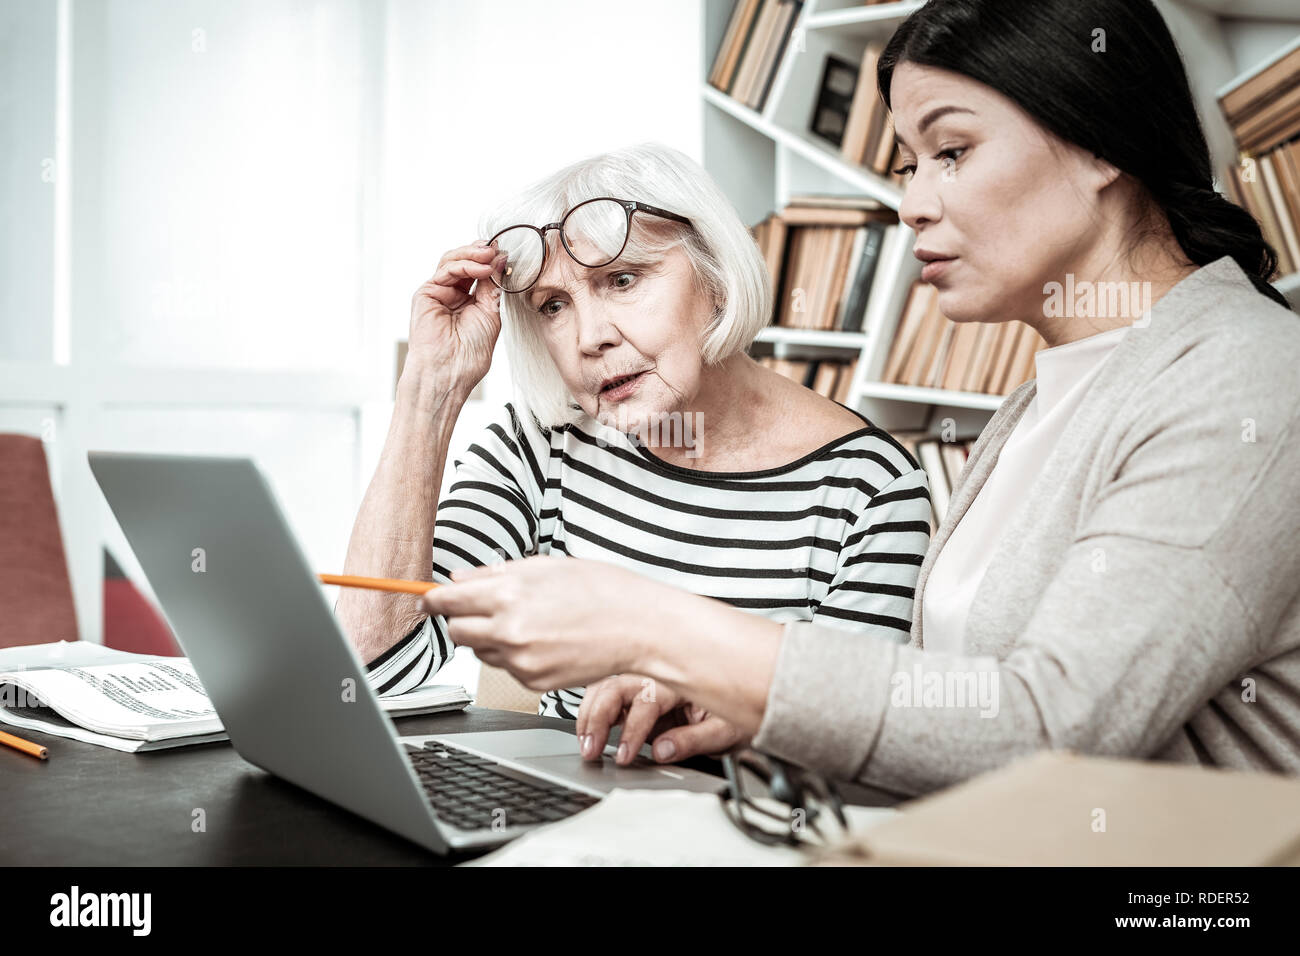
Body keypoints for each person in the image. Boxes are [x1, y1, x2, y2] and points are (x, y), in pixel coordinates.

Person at [422, 0, 1300, 791]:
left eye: (950, 151)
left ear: (1101, 139)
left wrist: (660, 630)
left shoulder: (1244, 375)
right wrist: (748, 711)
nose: (910, 201)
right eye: (908, 162)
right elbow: (955, 701)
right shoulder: (1040, 404)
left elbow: (1055, 727)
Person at [336, 142, 930, 744]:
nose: (590, 337)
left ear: (716, 274)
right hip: (565, 814)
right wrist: (429, 392)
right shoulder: (540, 446)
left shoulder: (871, 487)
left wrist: (721, 702)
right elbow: (374, 669)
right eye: (553, 305)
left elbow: (853, 741)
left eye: (623, 280)